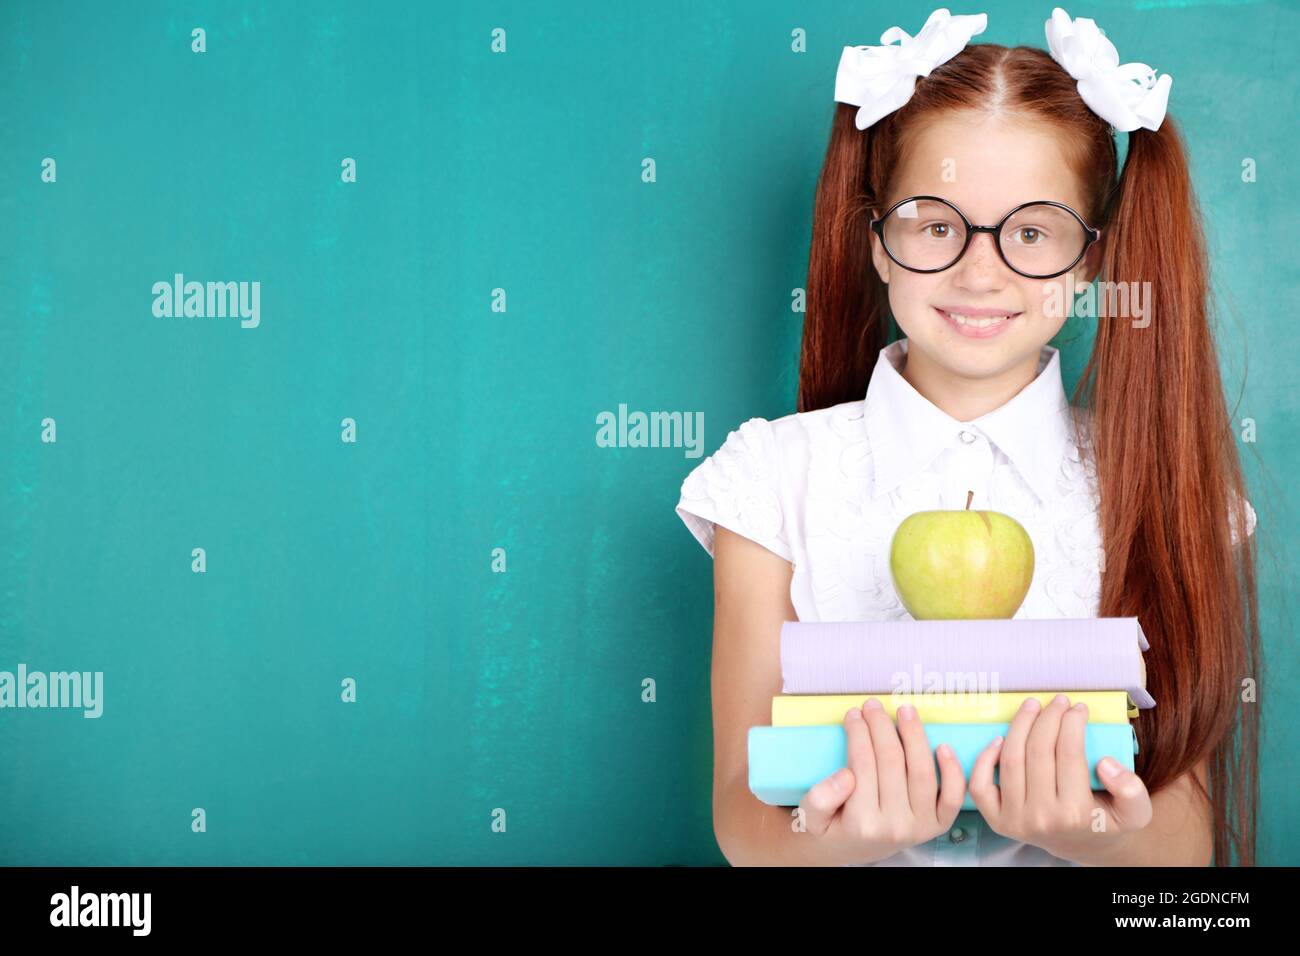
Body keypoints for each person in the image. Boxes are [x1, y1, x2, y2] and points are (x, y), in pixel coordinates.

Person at [675, 7, 1261, 867]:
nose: (979, 272)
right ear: (877, 239)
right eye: (934, 223)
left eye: (1032, 232)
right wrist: (828, 837)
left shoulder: (1169, 490)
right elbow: (744, 818)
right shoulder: (770, 480)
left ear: (1089, 260)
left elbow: (1185, 849)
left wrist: (1077, 826)